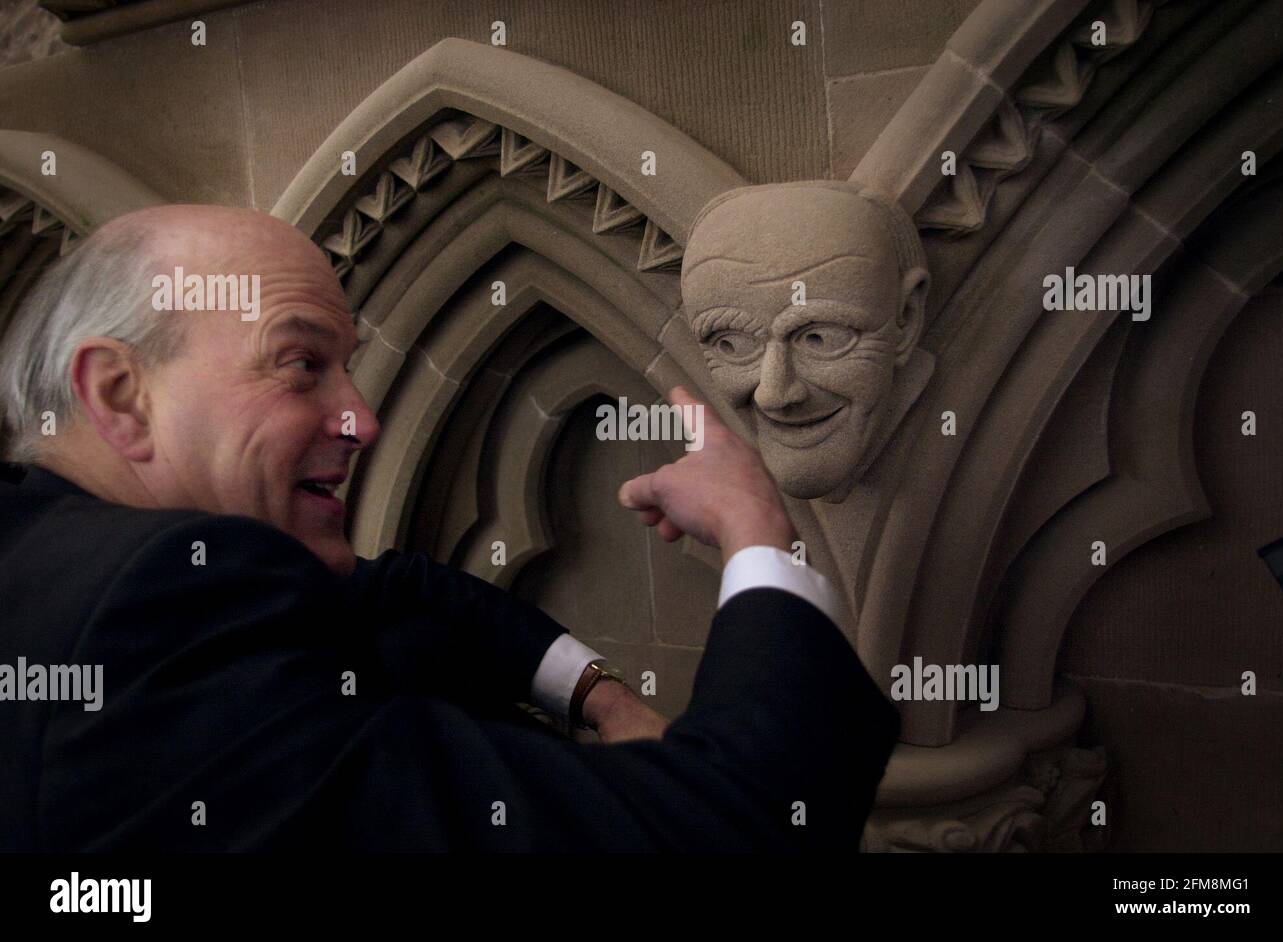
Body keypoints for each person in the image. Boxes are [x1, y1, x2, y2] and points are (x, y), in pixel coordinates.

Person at [0, 205, 899, 851]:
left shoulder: (48, 543)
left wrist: (602, 695)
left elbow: (394, 589)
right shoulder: (161, 604)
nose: (363, 419)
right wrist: (756, 536)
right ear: (121, 394)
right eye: (302, 363)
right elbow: (729, 828)